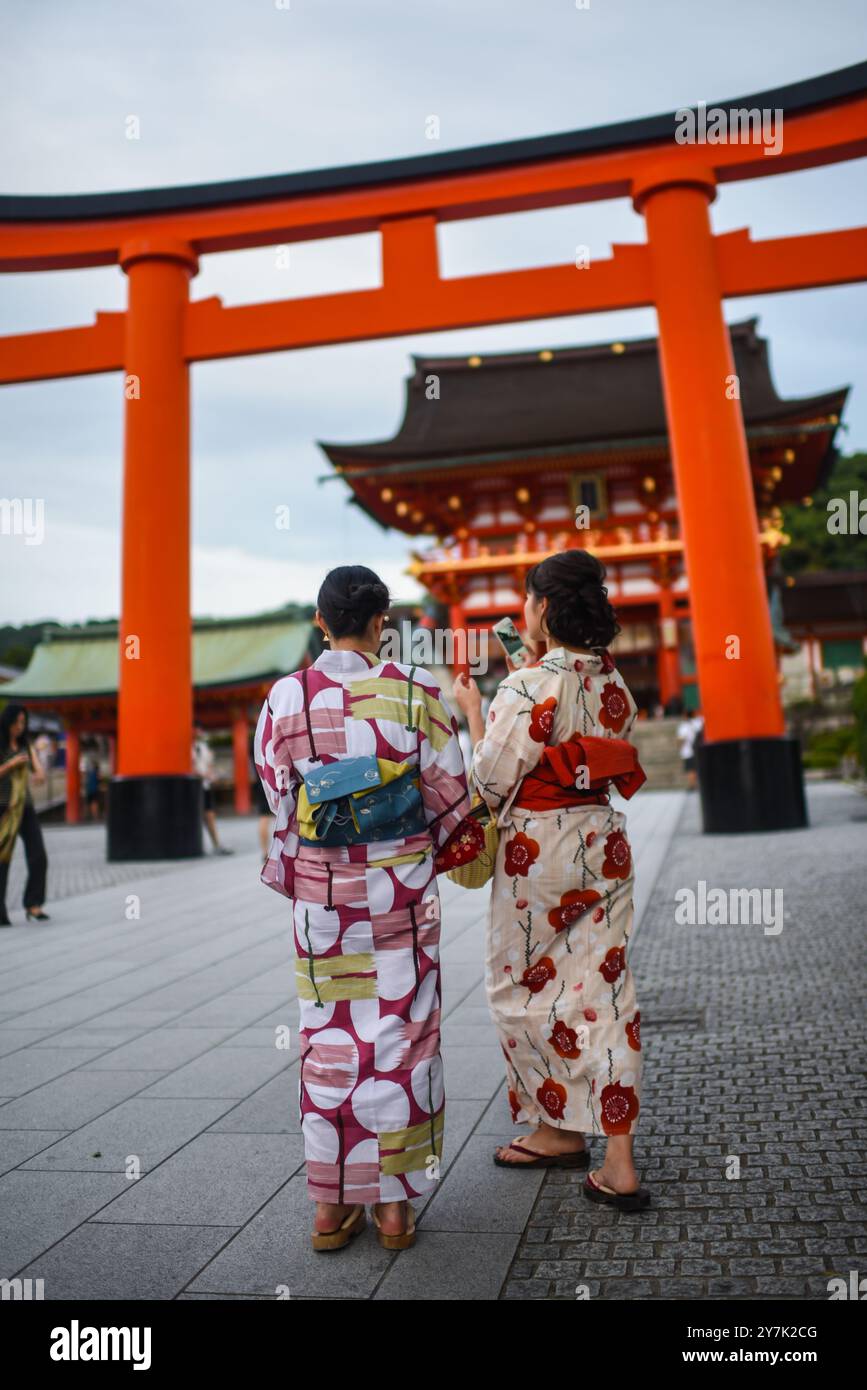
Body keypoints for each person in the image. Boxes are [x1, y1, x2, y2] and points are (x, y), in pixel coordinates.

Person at [254, 565, 473, 1250]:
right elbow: (450, 793)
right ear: (382, 624)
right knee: (403, 1040)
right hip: (400, 895)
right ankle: (393, 1210)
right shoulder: (414, 691)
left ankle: (329, 1204)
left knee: (328, 1042)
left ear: (321, 621)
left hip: (324, 900)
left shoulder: (287, 696)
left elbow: (278, 796)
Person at [451, 550, 651, 1211]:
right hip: (602, 839)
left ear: (539, 608)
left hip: (538, 854)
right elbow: (581, 728)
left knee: (522, 988)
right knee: (605, 988)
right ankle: (617, 1160)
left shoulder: (525, 684)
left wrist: (476, 711)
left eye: (528, 599)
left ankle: (557, 1128)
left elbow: (488, 778)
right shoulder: (612, 682)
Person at [0, 703, 50, 926]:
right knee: (2, 860)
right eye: (17, 722)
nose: (20, 727)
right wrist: (10, 765)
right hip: (3, 807)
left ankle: (33, 904)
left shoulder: (25, 745)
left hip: (25, 807)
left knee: (38, 855)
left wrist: (39, 772)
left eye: (23, 722)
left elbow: (39, 771)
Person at [192, 725, 233, 855]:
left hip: (205, 786)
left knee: (210, 815)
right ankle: (196, 845)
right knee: (195, 817)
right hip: (193, 787)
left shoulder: (203, 747)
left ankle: (216, 844)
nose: (199, 732)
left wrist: (210, 774)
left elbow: (209, 763)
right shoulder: (186, 747)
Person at [249, 729, 272, 863]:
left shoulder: (254, 739)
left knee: (264, 817)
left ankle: (265, 852)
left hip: (261, 780)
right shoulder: (273, 732)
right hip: (277, 778)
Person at [677, 707, 704, 790]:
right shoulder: (697, 723)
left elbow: (681, 740)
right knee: (696, 767)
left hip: (687, 751)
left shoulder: (683, 726)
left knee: (690, 769)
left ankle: (692, 785)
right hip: (697, 749)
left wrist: (679, 746)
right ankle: (697, 784)